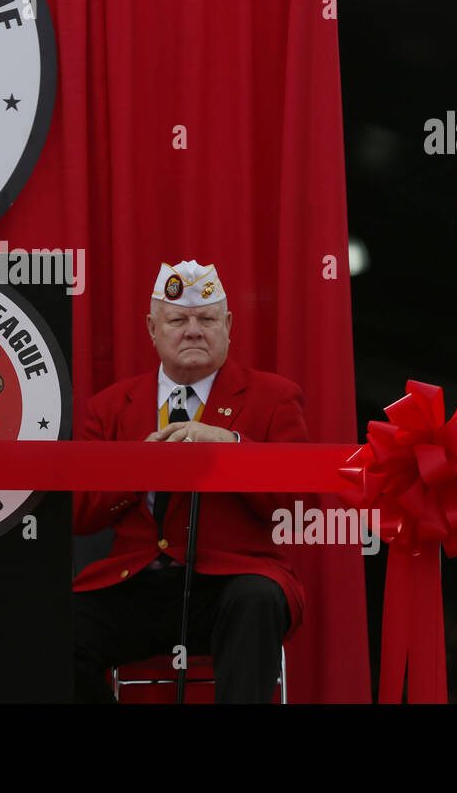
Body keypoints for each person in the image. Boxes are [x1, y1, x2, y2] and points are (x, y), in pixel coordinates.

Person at [73, 261, 308, 703]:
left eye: (207, 319)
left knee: (255, 598)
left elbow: (294, 509)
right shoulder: (109, 408)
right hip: (138, 582)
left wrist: (232, 447)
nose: (194, 330)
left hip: (232, 582)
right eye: (178, 319)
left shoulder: (275, 397)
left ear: (228, 325)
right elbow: (81, 514)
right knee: (52, 629)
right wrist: (136, 468)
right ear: (152, 327)